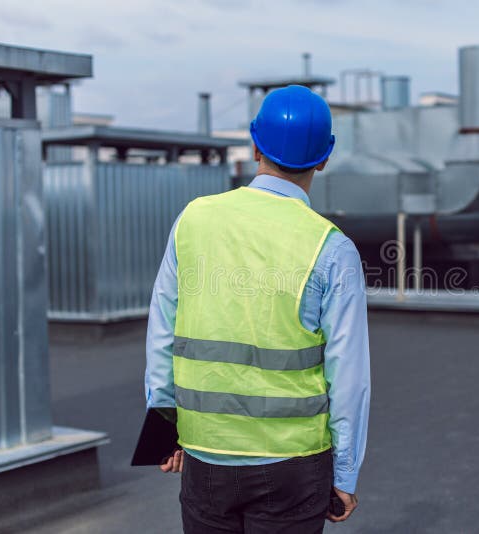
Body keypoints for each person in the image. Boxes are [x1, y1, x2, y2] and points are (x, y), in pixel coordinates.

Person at [145, 84, 371, 533]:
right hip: (293, 463)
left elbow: (162, 331)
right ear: (324, 157)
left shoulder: (194, 220)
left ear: (254, 146)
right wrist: (345, 475)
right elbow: (349, 375)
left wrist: (161, 431)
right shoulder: (331, 247)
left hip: (205, 453)